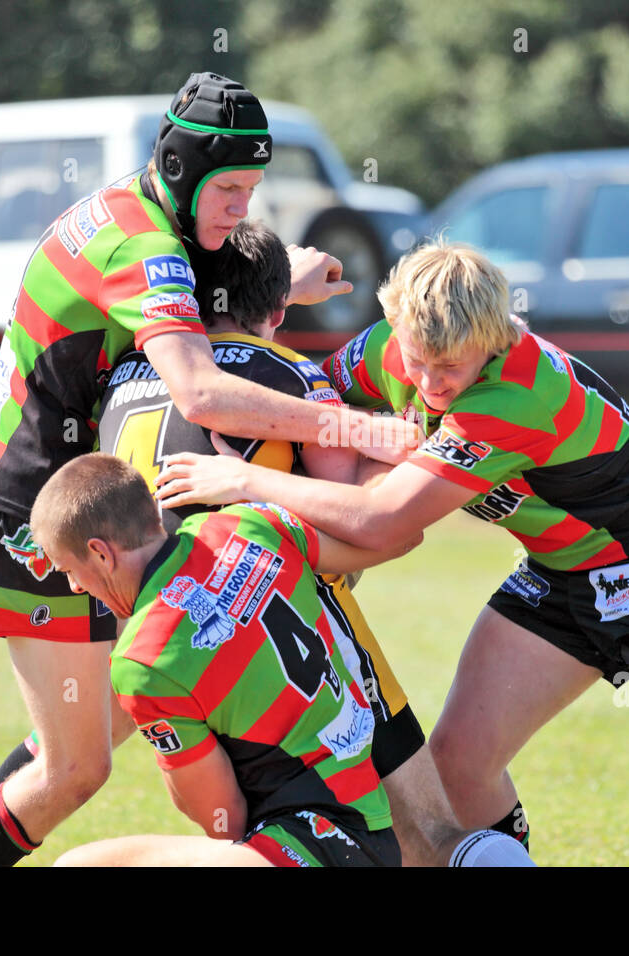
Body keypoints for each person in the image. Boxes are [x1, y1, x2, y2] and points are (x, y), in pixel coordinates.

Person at [156, 240, 629, 867]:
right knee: (456, 764)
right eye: (417, 362)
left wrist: (245, 482)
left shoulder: (513, 397)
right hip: (563, 571)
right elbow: (307, 403)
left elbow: (386, 522)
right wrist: (272, 307)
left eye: (449, 369)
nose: (429, 385)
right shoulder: (386, 348)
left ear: (493, 340)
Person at [0, 72, 419, 866]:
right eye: (228, 189)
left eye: (252, 187)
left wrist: (273, 292)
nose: (242, 209)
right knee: (76, 764)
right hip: (42, 516)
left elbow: (182, 310)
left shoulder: (143, 214)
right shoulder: (148, 244)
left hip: (99, 502)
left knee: (130, 699)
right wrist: (358, 426)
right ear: (177, 169)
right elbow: (202, 390)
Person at [96, 218, 530, 866]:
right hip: (280, 614)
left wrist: (276, 288)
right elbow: (359, 518)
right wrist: (392, 450)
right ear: (275, 307)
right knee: (420, 833)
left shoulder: (129, 373)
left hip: (165, 641)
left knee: (243, 828)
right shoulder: (293, 377)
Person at [30, 454, 409, 866]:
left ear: (101, 554)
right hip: (371, 826)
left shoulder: (142, 660)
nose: (73, 585)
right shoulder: (248, 523)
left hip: (306, 847)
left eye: (69, 569)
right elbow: (389, 542)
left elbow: (223, 817)